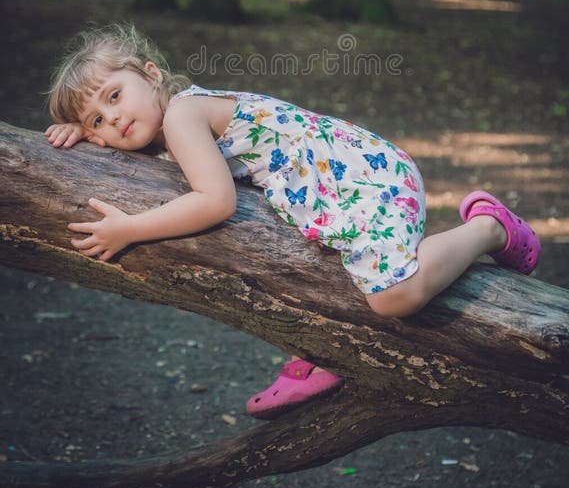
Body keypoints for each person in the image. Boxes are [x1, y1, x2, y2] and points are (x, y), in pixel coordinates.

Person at [46, 24, 540, 419]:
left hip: (363, 180)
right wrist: (82, 136)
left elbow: (215, 201)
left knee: (396, 296)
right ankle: (327, 354)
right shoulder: (173, 119)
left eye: (113, 97)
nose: (111, 120)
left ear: (151, 75)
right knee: (324, 270)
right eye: (95, 122)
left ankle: (489, 228)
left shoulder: (181, 116)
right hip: (339, 187)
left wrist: (129, 228)